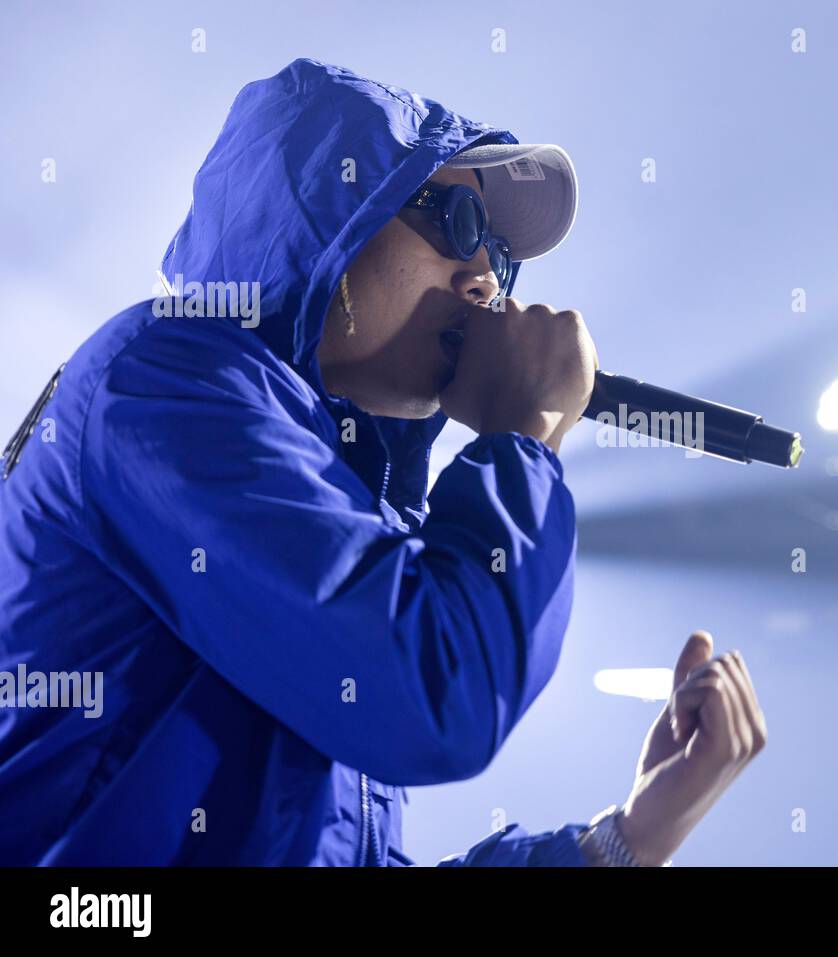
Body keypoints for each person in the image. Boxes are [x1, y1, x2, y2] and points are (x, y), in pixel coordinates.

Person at [0, 58, 765, 866]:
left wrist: (622, 840)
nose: (486, 282)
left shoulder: (352, 514)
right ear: (330, 208)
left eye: (501, 255)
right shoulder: (162, 379)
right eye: (460, 223)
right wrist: (527, 434)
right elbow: (434, 698)